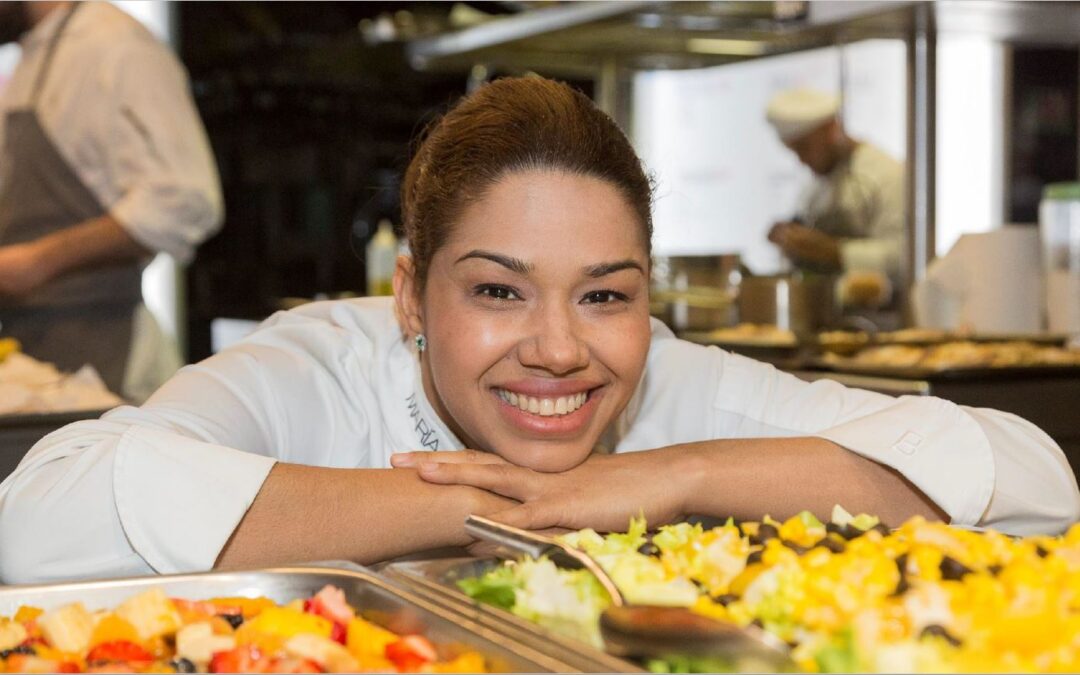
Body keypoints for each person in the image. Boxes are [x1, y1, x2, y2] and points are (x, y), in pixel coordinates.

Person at [0, 76, 1076, 585]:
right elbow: (37, 515)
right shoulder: (316, 365)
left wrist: (678, 478)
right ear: (412, 298)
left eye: (606, 294)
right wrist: (490, 509)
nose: (561, 349)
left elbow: (1031, 483)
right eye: (500, 292)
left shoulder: (686, 393)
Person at [0, 1, 222, 400]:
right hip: (33, 348)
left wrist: (38, 261)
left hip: (107, 351)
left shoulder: (116, 45)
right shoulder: (30, 58)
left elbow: (186, 199)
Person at [765, 88, 905, 303]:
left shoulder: (887, 176)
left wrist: (835, 252)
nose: (801, 161)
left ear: (831, 130)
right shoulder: (814, 187)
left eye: (805, 148)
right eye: (794, 151)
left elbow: (903, 257)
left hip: (881, 316)